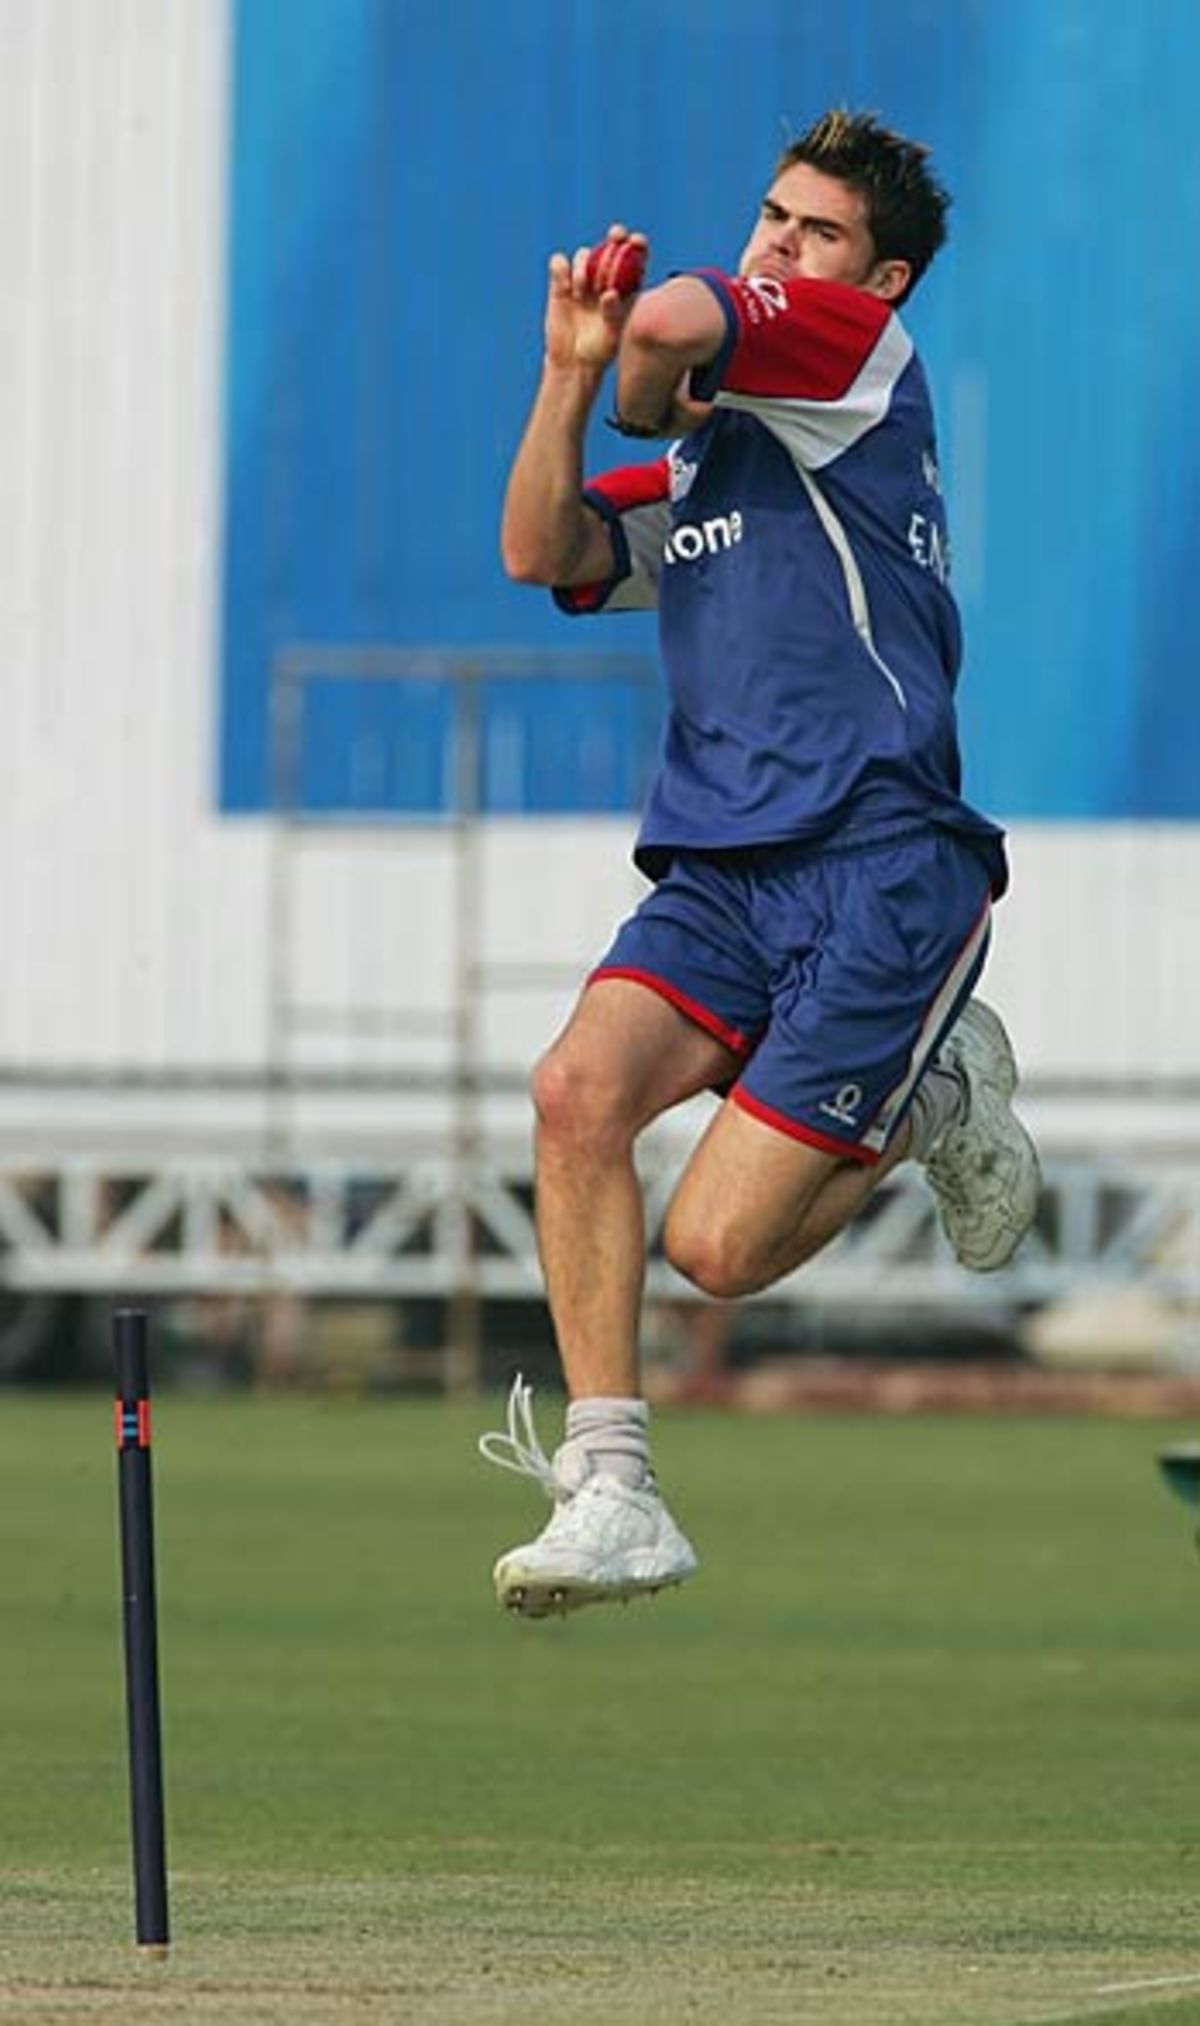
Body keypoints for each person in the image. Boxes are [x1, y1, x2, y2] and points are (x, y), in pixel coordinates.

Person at [479, 109, 1040, 1618]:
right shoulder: (716, 461)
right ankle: (614, 1488)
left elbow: (677, 317)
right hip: (725, 868)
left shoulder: (855, 363)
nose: (780, 245)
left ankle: (930, 1102)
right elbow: (546, 552)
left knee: (716, 1251)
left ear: (883, 276)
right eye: (772, 218)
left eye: (819, 230)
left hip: (881, 860)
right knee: (571, 1090)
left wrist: (641, 365)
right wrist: (572, 374)